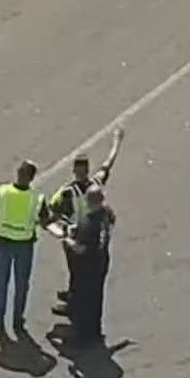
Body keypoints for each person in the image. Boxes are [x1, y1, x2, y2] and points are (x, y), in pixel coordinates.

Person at [47, 126, 122, 315]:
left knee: (79, 271)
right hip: (77, 234)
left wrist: (116, 143)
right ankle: (73, 294)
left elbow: (108, 163)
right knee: (76, 271)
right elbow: (53, 214)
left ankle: (73, 304)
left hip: (84, 235)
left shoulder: (71, 191)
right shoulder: (77, 189)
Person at [0, 161, 43, 335]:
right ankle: (18, 319)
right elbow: (46, 219)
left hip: (4, 243)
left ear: (18, 172)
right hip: (24, 244)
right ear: (32, 178)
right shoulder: (36, 198)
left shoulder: (0, 192)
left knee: (1, 282)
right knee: (21, 284)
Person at [63, 183, 115, 347]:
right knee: (97, 299)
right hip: (102, 260)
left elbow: (80, 247)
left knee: (84, 300)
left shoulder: (89, 222)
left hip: (87, 265)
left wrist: (67, 240)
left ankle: (83, 337)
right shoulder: (107, 214)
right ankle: (95, 332)